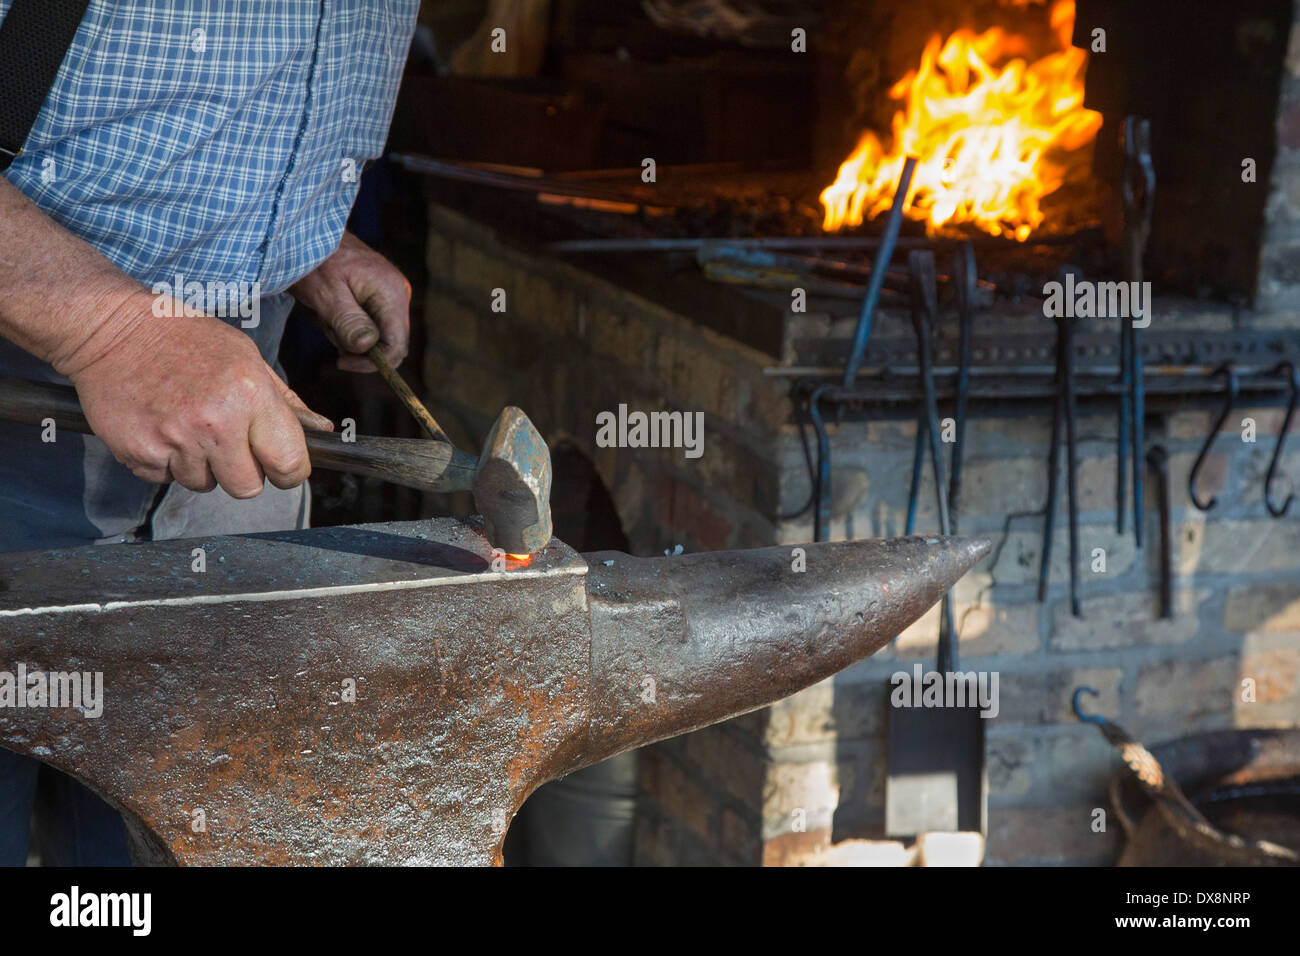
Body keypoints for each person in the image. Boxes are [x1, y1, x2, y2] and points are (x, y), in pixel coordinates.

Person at [0, 1, 422, 865]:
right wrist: (108, 330)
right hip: (25, 399)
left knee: (137, 858)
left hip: (219, 454)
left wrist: (300, 236)